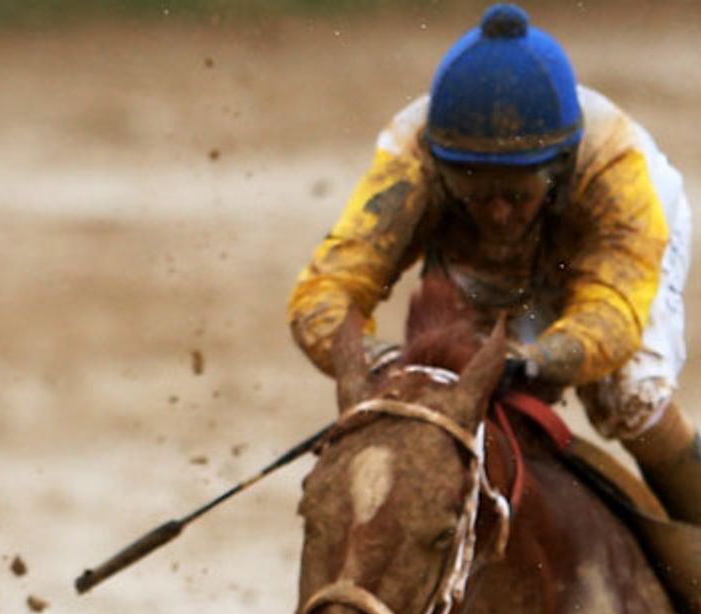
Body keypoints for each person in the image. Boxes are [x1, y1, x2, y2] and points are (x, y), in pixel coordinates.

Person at [289, 3, 701, 523]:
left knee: (628, 396)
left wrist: (534, 360)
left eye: (515, 192)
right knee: (455, 382)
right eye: (474, 189)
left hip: (605, 245)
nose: (499, 212)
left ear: (559, 166)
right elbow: (327, 292)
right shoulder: (411, 162)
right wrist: (387, 361)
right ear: (440, 168)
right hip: (473, 247)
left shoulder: (618, 173)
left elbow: (613, 316)